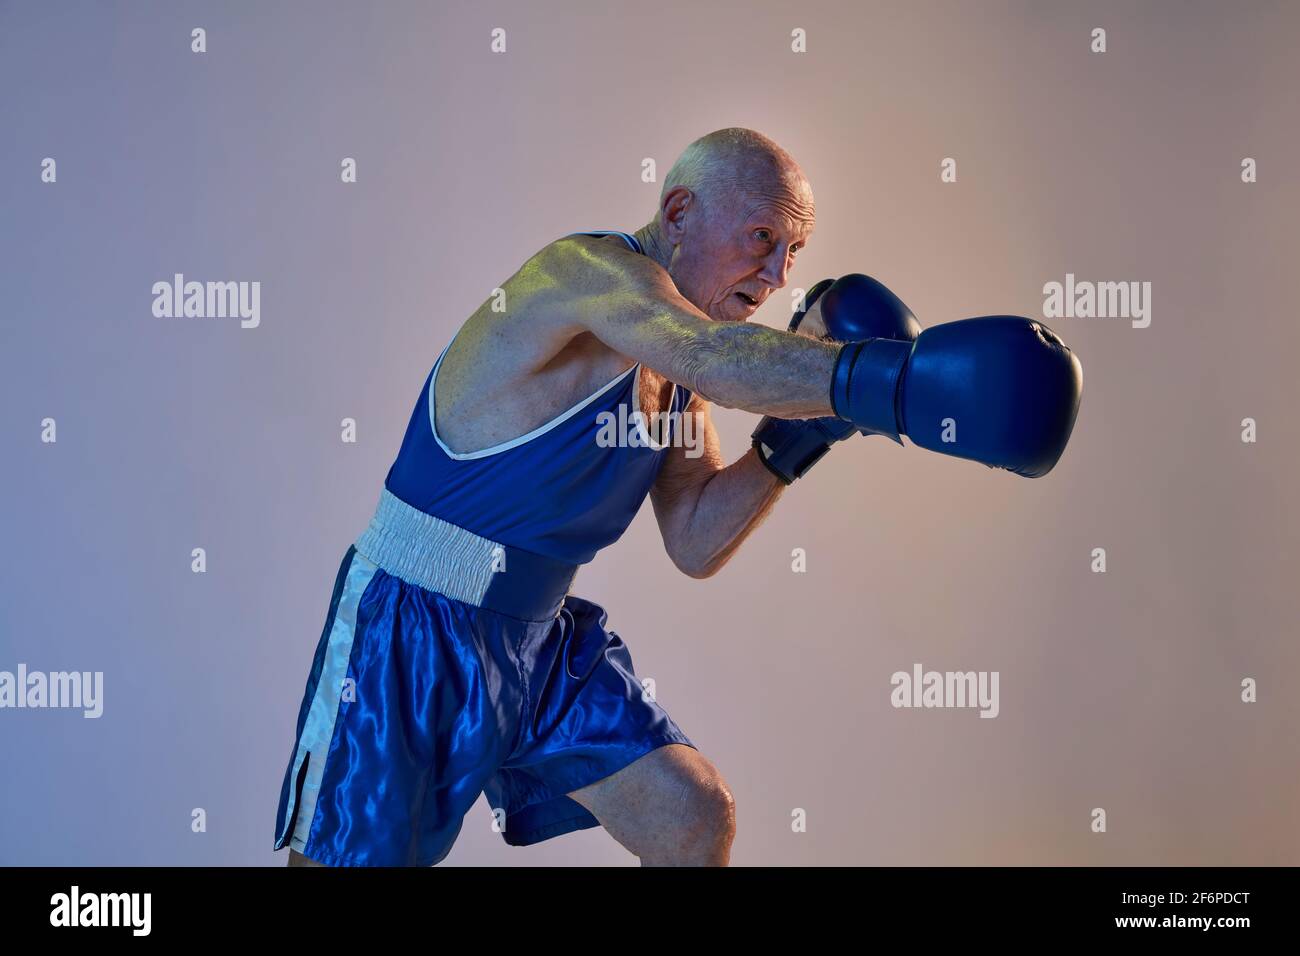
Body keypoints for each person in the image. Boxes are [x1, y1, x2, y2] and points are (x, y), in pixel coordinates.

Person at [273, 127, 1081, 867]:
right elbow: (719, 357)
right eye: (763, 238)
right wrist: (884, 385)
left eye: (794, 252)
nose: (777, 276)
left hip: (538, 648)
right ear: (680, 211)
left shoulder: (676, 385)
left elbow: (694, 535)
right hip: (413, 628)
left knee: (692, 816)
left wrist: (805, 434)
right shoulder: (583, 277)